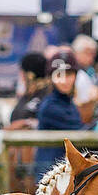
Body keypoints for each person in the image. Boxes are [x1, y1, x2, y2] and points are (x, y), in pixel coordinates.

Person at [34, 53, 86, 182]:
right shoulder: (50, 107)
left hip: (65, 171)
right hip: (51, 176)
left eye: (69, 75)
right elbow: (81, 131)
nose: (64, 80)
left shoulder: (68, 102)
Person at [8, 52, 51, 126]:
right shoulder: (28, 95)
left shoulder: (47, 96)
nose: (21, 76)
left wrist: (26, 123)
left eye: (22, 72)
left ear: (29, 75)